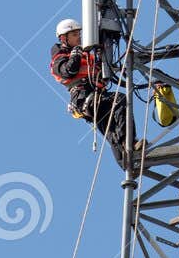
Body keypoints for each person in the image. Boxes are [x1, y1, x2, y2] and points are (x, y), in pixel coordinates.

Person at [50, 18, 141, 170]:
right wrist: (76, 55)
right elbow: (69, 71)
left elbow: (100, 72)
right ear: (63, 38)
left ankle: (127, 164)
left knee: (111, 129)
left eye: (78, 33)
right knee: (119, 99)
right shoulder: (59, 59)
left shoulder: (86, 55)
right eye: (73, 34)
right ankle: (129, 143)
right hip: (83, 98)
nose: (78, 37)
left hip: (96, 96)